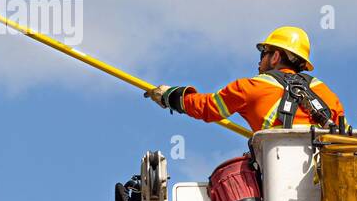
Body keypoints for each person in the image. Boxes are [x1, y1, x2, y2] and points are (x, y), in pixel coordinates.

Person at [146, 25, 345, 132]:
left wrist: (169, 96)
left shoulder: (251, 88)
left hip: (278, 182)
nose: (259, 64)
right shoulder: (326, 93)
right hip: (326, 183)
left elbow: (207, 107)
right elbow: (343, 132)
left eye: (263, 54)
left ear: (275, 57)